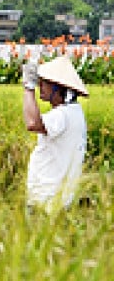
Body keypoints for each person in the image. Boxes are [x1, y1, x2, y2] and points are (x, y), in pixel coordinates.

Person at [21, 57, 88, 213]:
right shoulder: (74, 112)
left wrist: (28, 88)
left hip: (47, 200)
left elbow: (32, 123)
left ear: (58, 88)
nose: (40, 86)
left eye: (45, 82)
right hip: (58, 198)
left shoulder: (62, 115)